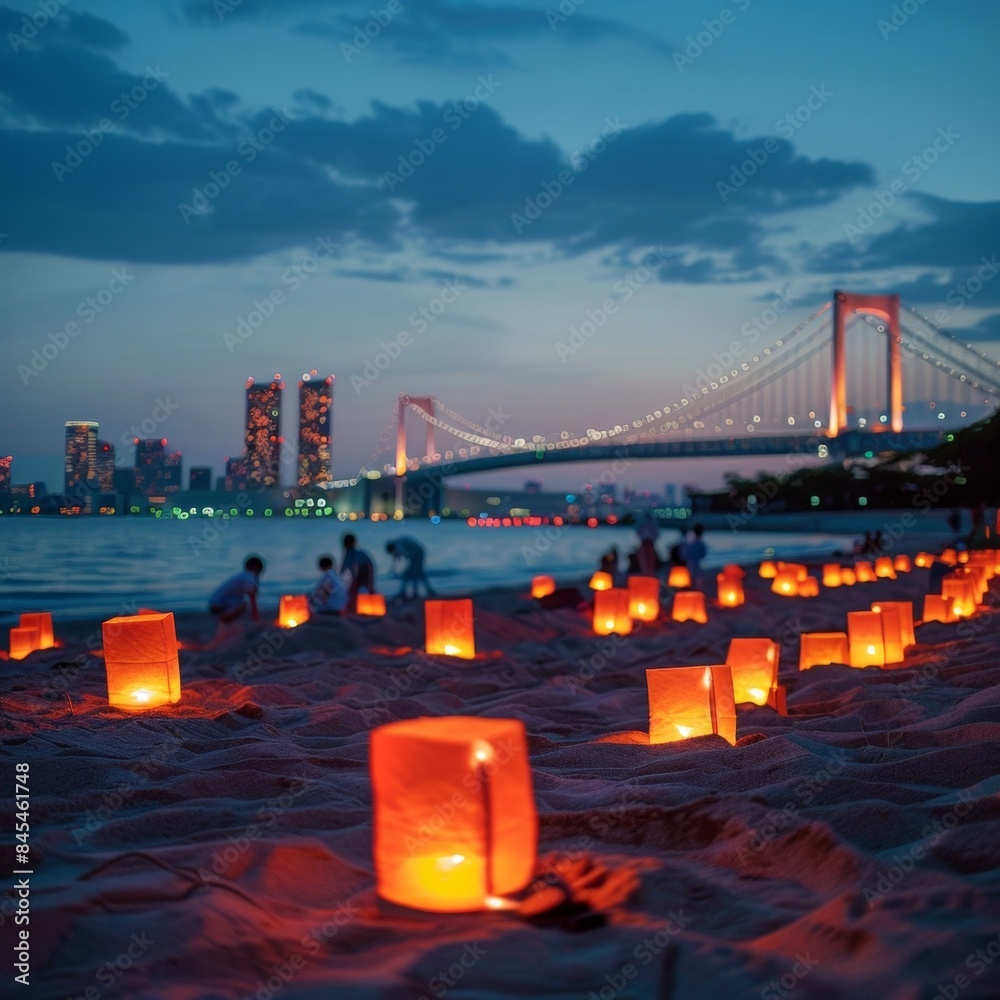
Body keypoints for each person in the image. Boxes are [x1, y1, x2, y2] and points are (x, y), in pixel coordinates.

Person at [208, 555, 263, 644]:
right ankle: (225, 624)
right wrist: (256, 619)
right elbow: (253, 598)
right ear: (255, 567)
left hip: (216, 603)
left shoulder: (243, 576)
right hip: (218, 605)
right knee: (243, 604)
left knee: (241, 602)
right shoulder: (249, 577)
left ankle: (227, 624)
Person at [340, 533, 376, 613]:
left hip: (366, 568)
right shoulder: (351, 553)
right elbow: (347, 567)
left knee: (367, 587)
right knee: (355, 588)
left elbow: (345, 566)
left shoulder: (352, 553)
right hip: (362, 569)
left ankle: (372, 605)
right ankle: (352, 606)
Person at [681, 524, 707, 589]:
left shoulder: (689, 543)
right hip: (694, 565)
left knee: (693, 580)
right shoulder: (700, 544)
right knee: (695, 581)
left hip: (690, 564)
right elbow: (703, 555)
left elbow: (683, 555)